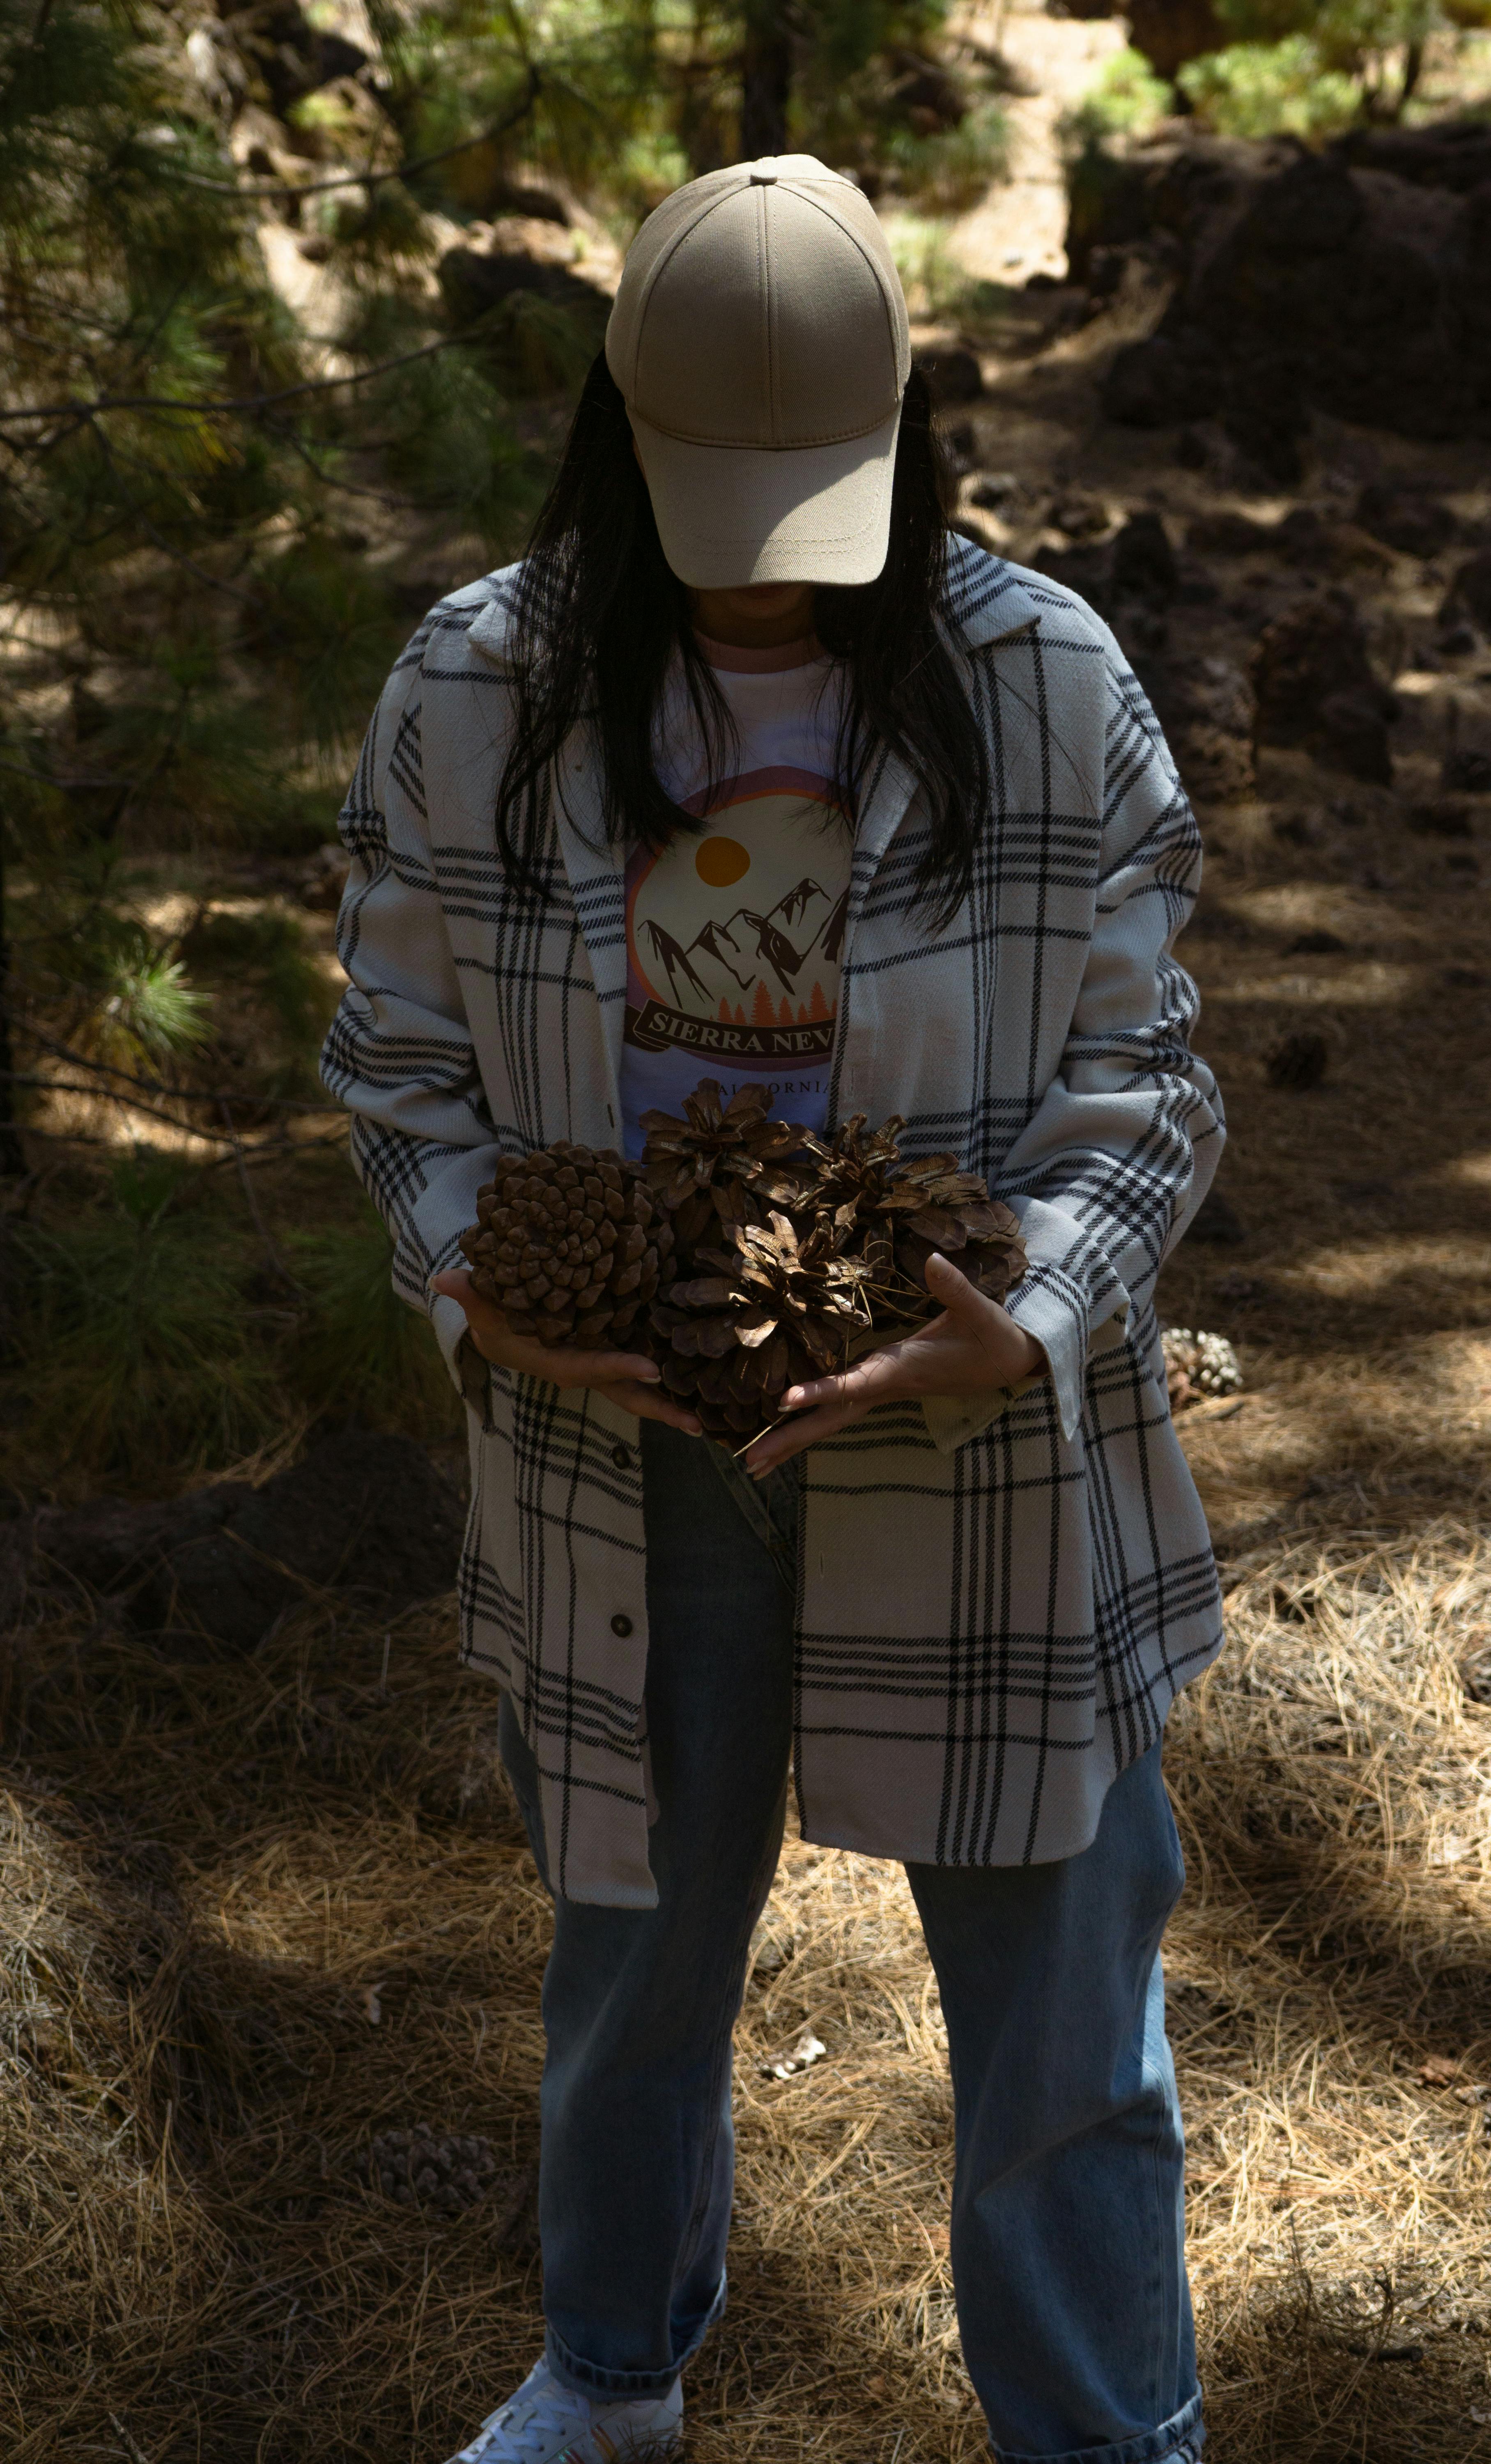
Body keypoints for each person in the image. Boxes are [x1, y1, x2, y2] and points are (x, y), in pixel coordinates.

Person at [322, 153, 1226, 2464]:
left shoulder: (1043, 686)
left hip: (988, 1460)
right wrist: (484, 1300)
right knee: (631, 1953)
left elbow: (1147, 1090)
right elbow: (401, 1065)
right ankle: (611, 2375)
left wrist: (1020, 1322)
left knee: (1057, 2026)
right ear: (618, 438)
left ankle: (1105, 2439)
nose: (755, 566)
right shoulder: (478, 687)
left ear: (911, 429)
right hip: (622, 1455)